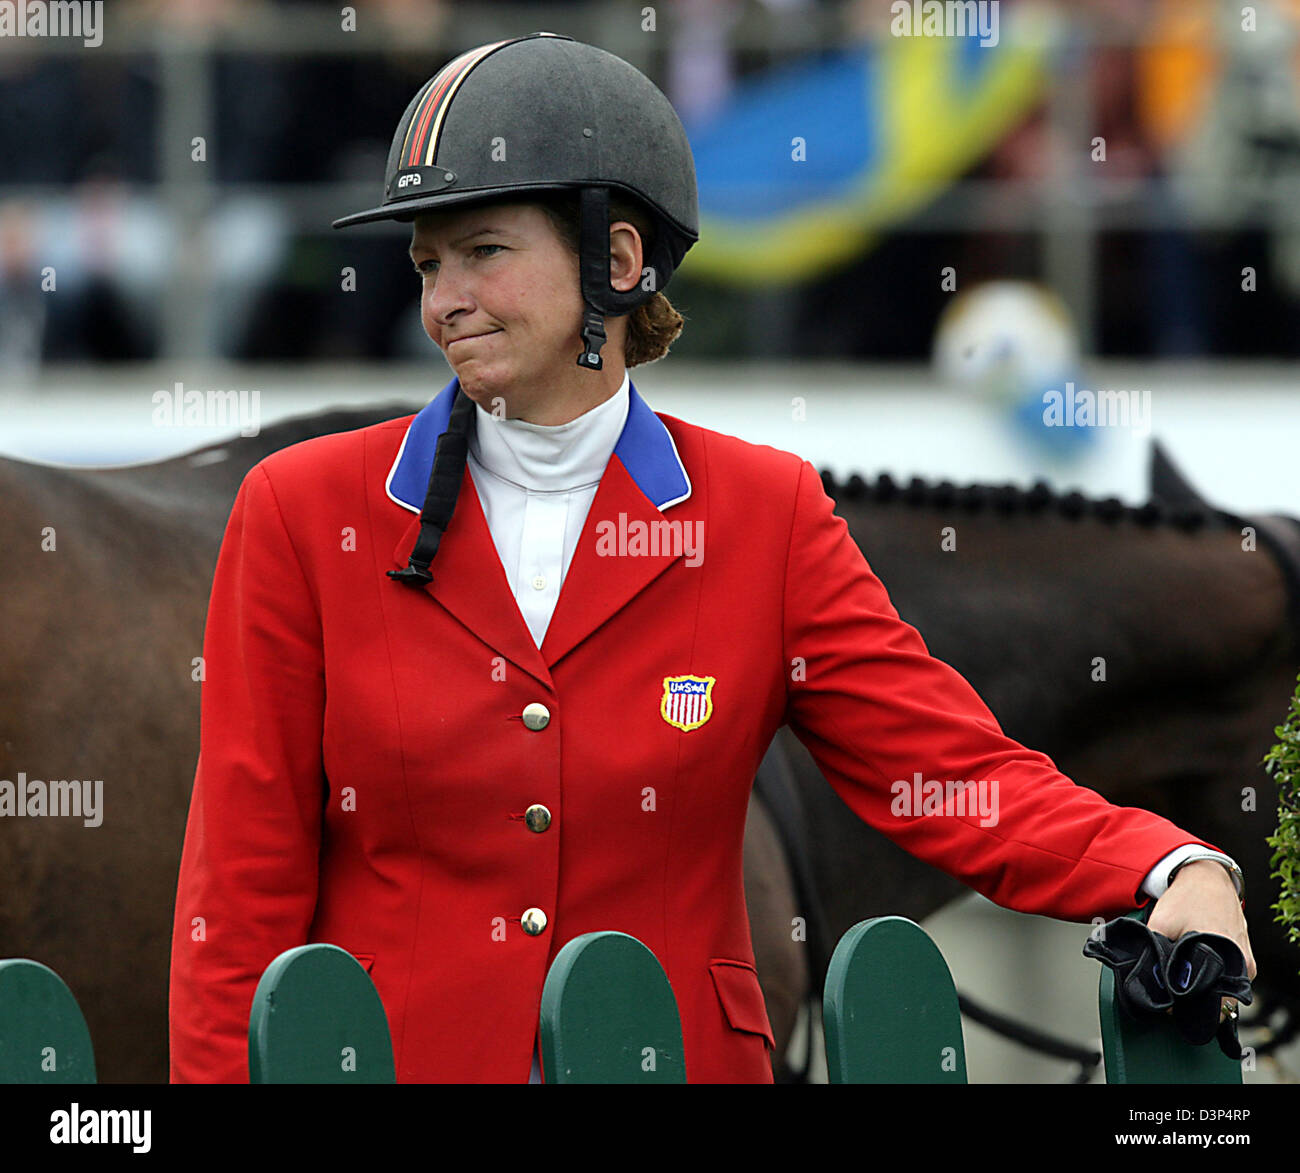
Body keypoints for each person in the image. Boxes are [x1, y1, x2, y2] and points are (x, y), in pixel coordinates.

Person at [168, 32, 1253, 1084]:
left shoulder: (764, 513)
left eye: (484, 252)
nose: (443, 298)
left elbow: (949, 775)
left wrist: (1168, 866)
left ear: (619, 258)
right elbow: (240, 882)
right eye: (427, 262)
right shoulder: (300, 512)